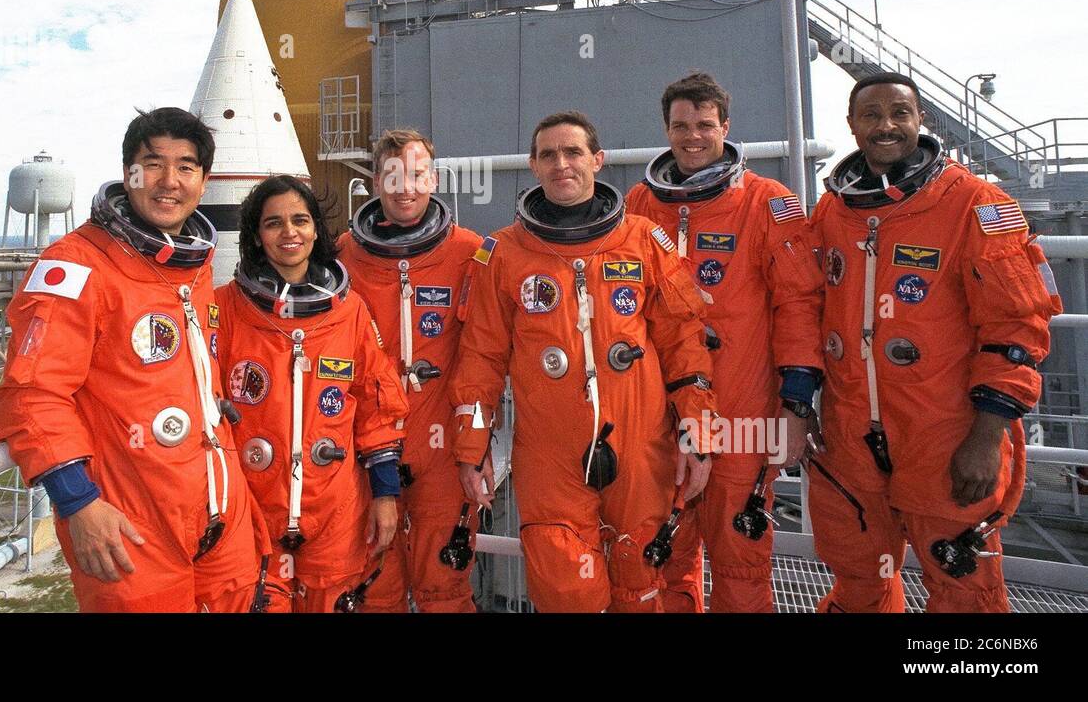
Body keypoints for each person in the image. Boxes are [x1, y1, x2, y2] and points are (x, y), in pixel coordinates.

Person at [806, 73, 1061, 612]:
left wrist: (986, 437)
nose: (886, 126)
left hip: (944, 435)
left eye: (900, 113)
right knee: (858, 578)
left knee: (963, 589)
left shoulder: (975, 204)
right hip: (849, 434)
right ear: (852, 126)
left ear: (920, 120)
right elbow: (804, 311)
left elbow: (1017, 330)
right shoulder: (832, 211)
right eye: (871, 115)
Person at [0, 107, 262, 612]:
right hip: (129, 524)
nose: (168, 182)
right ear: (127, 173)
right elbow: (31, 396)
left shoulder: (194, 268)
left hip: (221, 512)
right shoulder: (73, 265)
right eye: (152, 164)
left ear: (203, 181)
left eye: (186, 167)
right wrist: (78, 502)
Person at [451, 111, 717, 612]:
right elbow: (480, 358)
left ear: (597, 160)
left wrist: (698, 434)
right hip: (550, 456)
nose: (561, 164)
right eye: (548, 155)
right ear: (532, 165)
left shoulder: (643, 240)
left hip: (642, 449)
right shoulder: (502, 254)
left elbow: (684, 342)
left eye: (573, 152)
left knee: (642, 585)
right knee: (566, 590)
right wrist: (471, 445)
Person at [626, 73, 825, 613]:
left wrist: (795, 404)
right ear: (666, 129)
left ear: (726, 127)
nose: (692, 137)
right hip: (661, 413)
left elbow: (800, 305)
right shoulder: (640, 202)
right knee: (662, 554)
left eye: (704, 125)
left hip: (742, 413)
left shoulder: (767, 202)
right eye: (680, 126)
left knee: (740, 561)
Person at [215, 175, 409, 612]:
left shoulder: (349, 311)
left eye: (300, 220)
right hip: (251, 505)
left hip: (336, 506)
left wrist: (384, 495)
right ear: (256, 235)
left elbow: (377, 408)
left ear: (316, 229)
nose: (289, 233)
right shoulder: (225, 308)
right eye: (274, 223)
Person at [336, 129, 487, 612]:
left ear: (435, 179)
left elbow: (486, 358)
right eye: (393, 176)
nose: (406, 188)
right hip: (363, 445)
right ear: (376, 181)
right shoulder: (342, 257)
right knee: (372, 586)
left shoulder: (471, 253)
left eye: (417, 175)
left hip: (442, 445)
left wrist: (477, 444)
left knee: (445, 583)